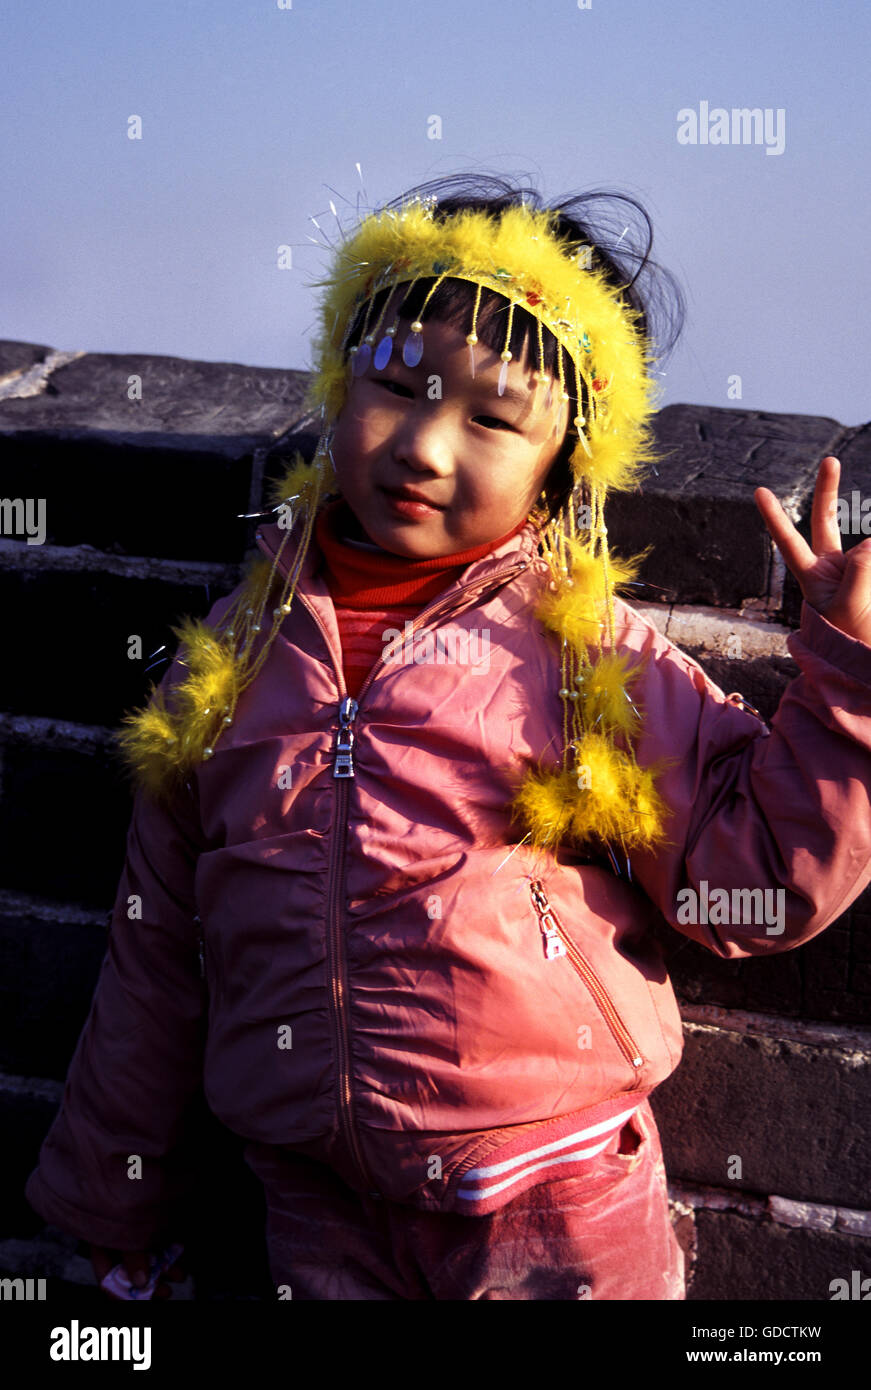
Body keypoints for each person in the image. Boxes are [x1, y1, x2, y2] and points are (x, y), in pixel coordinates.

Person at [25, 174, 871, 1301]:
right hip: (318, 1204)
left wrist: (844, 675)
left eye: (490, 417)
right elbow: (153, 954)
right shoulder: (233, 663)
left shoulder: (579, 658)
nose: (423, 446)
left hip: (555, 1203)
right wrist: (110, 1191)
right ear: (337, 385)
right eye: (394, 386)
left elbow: (752, 877)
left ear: (559, 467)